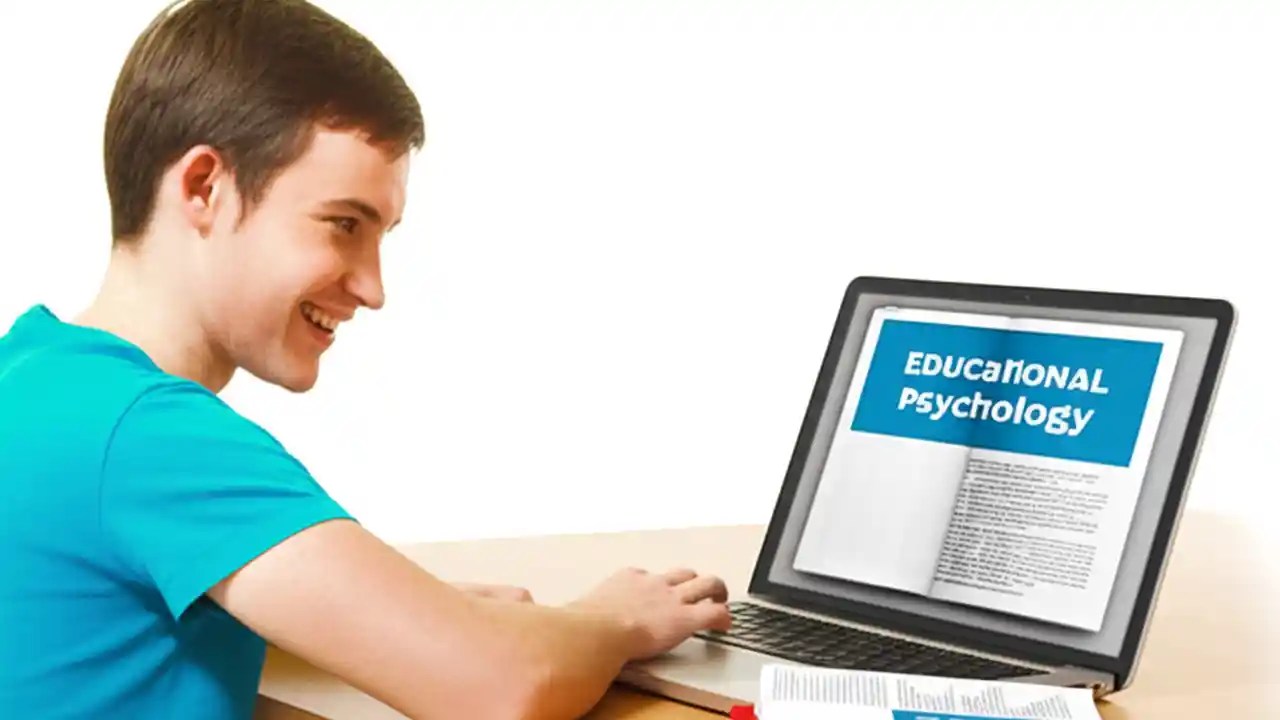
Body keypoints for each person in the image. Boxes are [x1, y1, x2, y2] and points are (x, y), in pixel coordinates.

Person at [0, 1, 731, 718]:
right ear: (204, 188)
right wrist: (613, 618)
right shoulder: (152, 436)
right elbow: (504, 689)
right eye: (343, 224)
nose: (372, 288)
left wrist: (405, 614)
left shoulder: (33, 373)